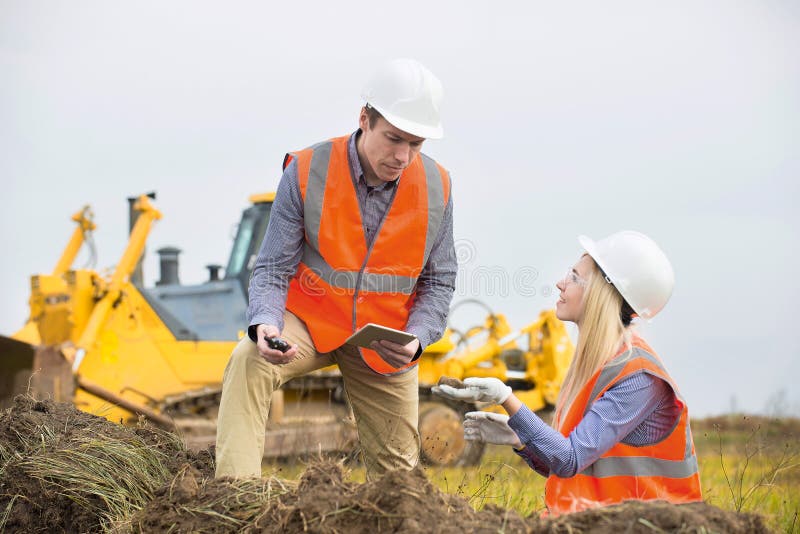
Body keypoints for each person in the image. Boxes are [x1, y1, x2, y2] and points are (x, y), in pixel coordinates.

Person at [215, 58, 456, 479]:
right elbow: (272, 266)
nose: (403, 156)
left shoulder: (438, 187)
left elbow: (439, 280)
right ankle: (237, 500)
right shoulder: (307, 170)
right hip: (311, 322)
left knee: (400, 482)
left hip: (385, 342)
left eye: (415, 144)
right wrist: (266, 325)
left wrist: (418, 339)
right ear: (364, 119)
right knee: (249, 358)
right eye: (394, 139)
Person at [433, 231, 702, 515]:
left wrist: (506, 398)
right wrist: (519, 438)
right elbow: (568, 463)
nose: (561, 283)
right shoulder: (600, 364)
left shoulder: (638, 378)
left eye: (574, 277)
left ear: (602, 293)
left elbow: (569, 459)